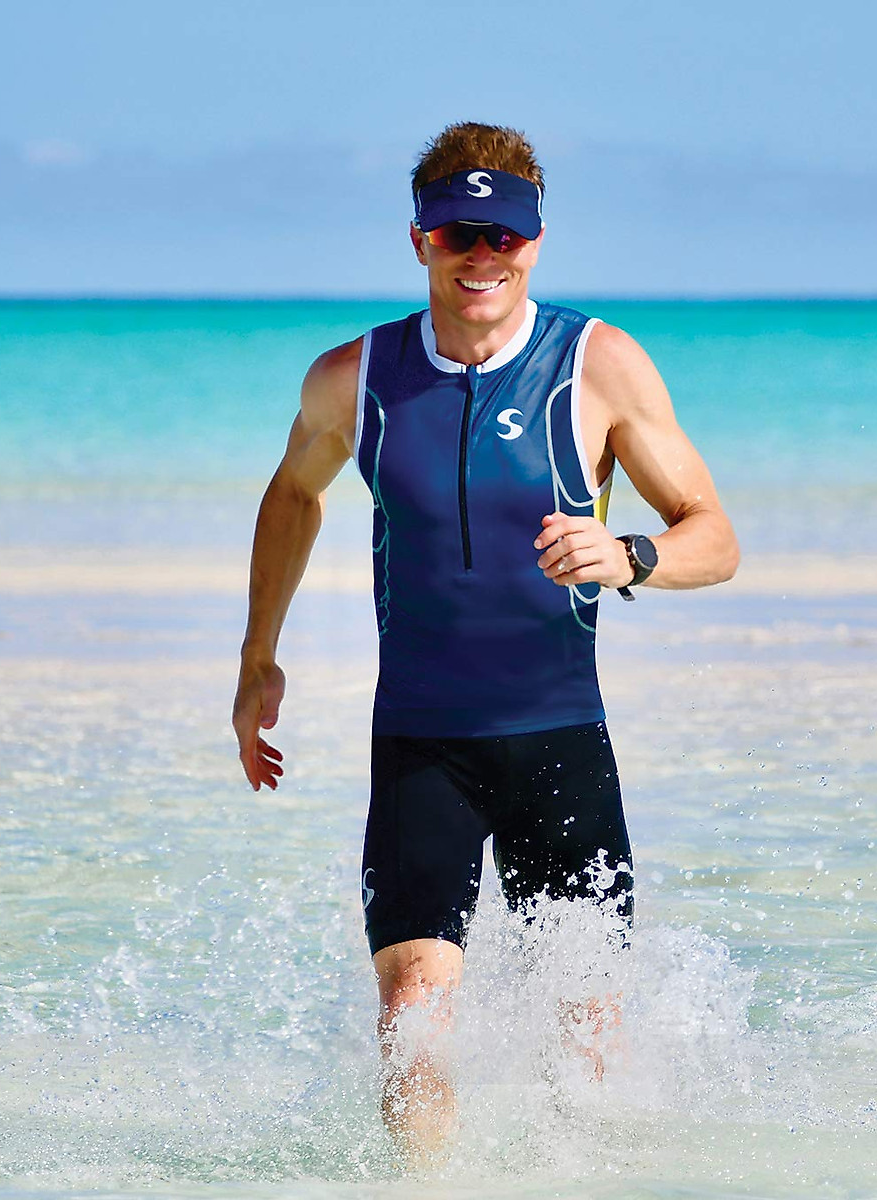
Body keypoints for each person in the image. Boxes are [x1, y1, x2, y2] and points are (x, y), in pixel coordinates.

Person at [231, 121, 739, 1159]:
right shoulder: (354, 378)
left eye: (502, 235)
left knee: (586, 1030)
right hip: (422, 744)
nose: (481, 256)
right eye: (458, 234)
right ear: (419, 238)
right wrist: (257, 658)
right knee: (413, 1008)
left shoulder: (598, 366)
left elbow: (715, 539)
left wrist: (629, 554)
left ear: (534, 243)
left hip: (560, 738)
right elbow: (293, 495)